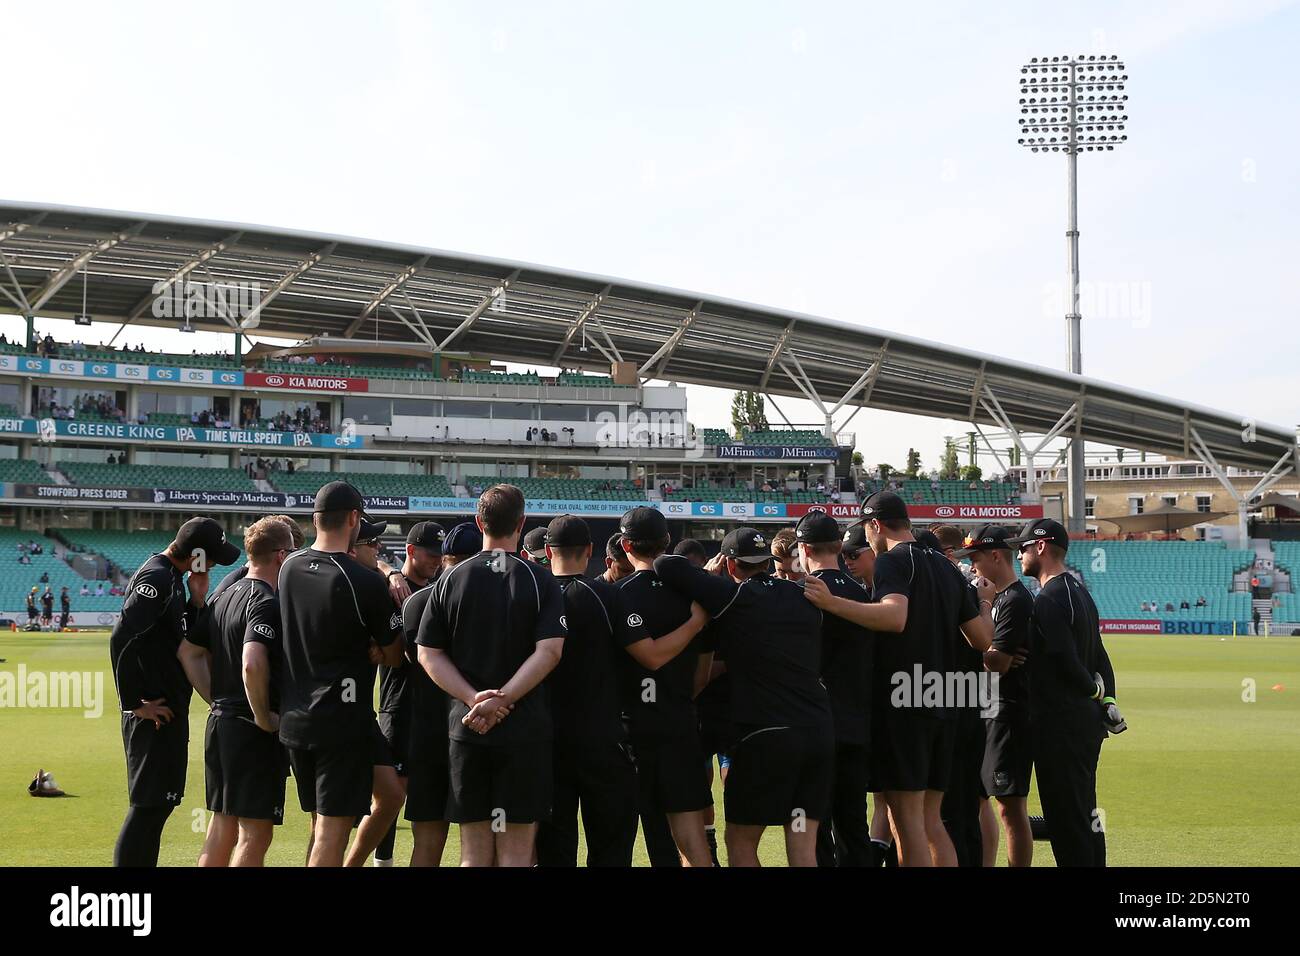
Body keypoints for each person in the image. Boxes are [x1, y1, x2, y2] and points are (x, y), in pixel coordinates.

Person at [802, 491, 991, 867]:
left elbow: (894, 617)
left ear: (875, 525)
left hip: (907, 699)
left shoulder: (892, 561)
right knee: (931, 819)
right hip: (947, 698)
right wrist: (983, 603)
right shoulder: (945, 566)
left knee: (905, 819)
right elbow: (983, 639)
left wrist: (831, 603)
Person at [654, 526, 834, 867]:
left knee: (740, 839)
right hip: (817, 734)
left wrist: (707, 574)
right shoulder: (803, 596)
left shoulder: (733, 597)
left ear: (731, 566)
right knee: (801, 842)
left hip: (768, 737)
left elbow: (666, 564)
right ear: (767, 562)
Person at [416, 484, 566, 867]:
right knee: (516, 853)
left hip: (468, 729)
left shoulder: (450, 579)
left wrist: (474, 698)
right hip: (524, 730)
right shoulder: (539, 579)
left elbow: (428, 653)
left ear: (480, 521)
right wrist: (504, 698)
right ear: (522, 523)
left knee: (474, 853)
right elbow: (549, 652)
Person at [277, 482, 405, 867]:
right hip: (340, 722)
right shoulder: (363, 582)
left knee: (389, 794)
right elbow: (397, 657)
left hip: (299, 716)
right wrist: (377, 647)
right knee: (331, 831)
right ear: (354, 519)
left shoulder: (289, 567)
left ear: (316, 519)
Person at [110, 517, 240, 867]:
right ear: (196, 554)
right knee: (148, 808)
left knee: (160, 805)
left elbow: (180, 634)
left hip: (169, 708)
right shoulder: (156, 578)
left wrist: (197, 600)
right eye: (211, 557)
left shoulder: (174, 579)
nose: (213, 563)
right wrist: (133, 703)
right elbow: (122, 638)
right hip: (154, 711)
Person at [1009, 518, 1122, 867]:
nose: (1020, 555)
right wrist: (1108, 700)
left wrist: (1092, 691)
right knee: (1087, 812)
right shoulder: (1080, 592)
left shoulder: (1049, 598)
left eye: (1024, 548)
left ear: (1041, 547)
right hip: (1085, 725)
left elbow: (1066, 658)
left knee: (1066, 820)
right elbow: (1100, 654)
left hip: (1061, 725)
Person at [187, 517, 294, 867]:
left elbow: (189, 652)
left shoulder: (223, 595)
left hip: (221, 722)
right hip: (250, 729)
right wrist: (263, 716)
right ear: (280, 555)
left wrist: (216, 697)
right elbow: (252, 663)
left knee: (222, 824)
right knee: (256, 832)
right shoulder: (265, 600)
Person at [536, 514, 640, 867]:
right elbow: (646, 656)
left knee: (554, 849)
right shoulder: (607, 595)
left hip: (546, 741)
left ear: (548, 551)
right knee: (611, 846)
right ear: (591, 550)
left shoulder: (532, 593)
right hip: (604, 738)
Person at [614, 506, 714, 867]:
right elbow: (702, 673)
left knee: (620, 836)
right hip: (679, 724)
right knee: (690, 838)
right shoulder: (693, 596)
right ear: (667, 541)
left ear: (625, 545)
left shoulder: (617, 594)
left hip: (630, 732)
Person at [794, 511, 875, 867]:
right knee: (853, 825)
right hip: (855, 723)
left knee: (809, 825)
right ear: (840, 547)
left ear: (805, 549)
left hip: (811, 725)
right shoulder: (864, 595)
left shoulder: (800, 594)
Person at [954, 525, 1035, 867]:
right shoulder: (997, 599)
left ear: (996, 556)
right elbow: (991, 655)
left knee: (1010, 806)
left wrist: (986, 643)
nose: (972, 566)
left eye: (975, 558)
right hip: (988, 711)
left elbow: (998, 662)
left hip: (1010, 714)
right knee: (980, 799)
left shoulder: (1015, 600)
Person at [371, 520, 445, 867]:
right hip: (397, 704)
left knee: (424, 798)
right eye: (431, 554)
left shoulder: (440, 591)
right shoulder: (391, 592)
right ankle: (382, 861)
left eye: (440, 555)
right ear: (411, 551)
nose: (437, 560)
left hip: (433, 709)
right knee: (391, 795)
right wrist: (388, 571)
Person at [931, 523, 996, 868]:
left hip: (943, 703)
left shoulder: (951, 590)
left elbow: (984, 642)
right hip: (971, 702)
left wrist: (984, 605)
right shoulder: (966, 590)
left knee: (950, 807)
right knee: (971, 803)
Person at [675, 537, 727, 865]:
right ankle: (707, 846)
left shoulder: (724, 598)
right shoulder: (678, 603)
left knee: (713, 782)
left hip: (719, 705)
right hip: (691, 707)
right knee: (696, 789)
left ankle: (710, 845)